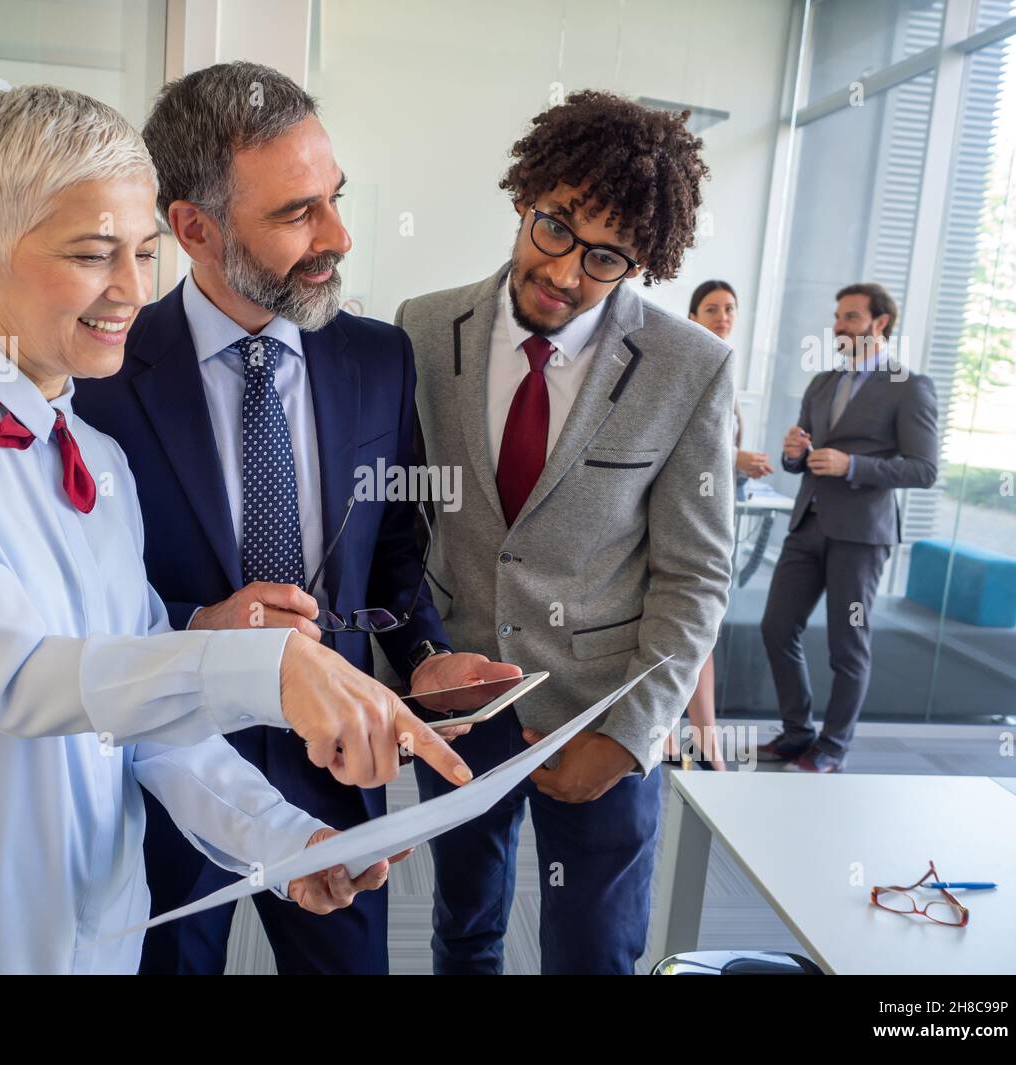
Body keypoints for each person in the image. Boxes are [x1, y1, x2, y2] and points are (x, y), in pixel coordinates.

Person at [0, 85, 469, 974]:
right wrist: (275, 664)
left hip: (97, 934)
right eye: (96, 254)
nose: (135, 291)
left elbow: (144, 723)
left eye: (145, 252)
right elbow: (18, 677)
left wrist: (288, 838)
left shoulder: (97, 457)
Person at [75, 62, 517, 976]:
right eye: (295, 213)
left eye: (336, 199)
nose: (340, 236)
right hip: (174, 754)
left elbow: (393, 555)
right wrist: (202, 629)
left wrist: (426, 657)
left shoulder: (378, 357)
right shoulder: (99, 380)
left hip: (340, 756)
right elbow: (80, 599)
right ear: (192, 227)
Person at [396, 91, 735, 974]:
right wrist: (415, 664)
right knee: (464, 925)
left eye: (606, 255)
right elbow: (404, 522)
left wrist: (629, 735)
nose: (567, 271)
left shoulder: (688, 368)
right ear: (524, 198)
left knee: (593, 950)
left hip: (604, 704)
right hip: (461, 700)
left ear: (641, 262)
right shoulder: (424, 328)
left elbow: (695, 576)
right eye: (555, 227)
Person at [758, 282, 938, 773]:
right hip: (807, 525)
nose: (839, 327)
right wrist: (793, 455)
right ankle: (798, 733)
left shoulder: (910, 386)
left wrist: (853, 466)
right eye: (838, 317)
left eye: (851, 317)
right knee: (776, 628)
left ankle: (833, 746)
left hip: (861, 536)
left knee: (847, 644)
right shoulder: (823, 383)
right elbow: (801, 457)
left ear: (880, 323)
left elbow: (924, 470)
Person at [664, 280, 773, 770]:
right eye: (712, 308)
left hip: (712, 522)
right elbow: (678, 446)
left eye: (730, 308)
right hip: (675, 521)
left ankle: (701, 737)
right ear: (692, 318)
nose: (723, 316)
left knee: (699, 630)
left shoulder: (724, 370)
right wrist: (736, 457)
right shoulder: (685, 367)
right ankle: (673, 733)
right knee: (673, 626)